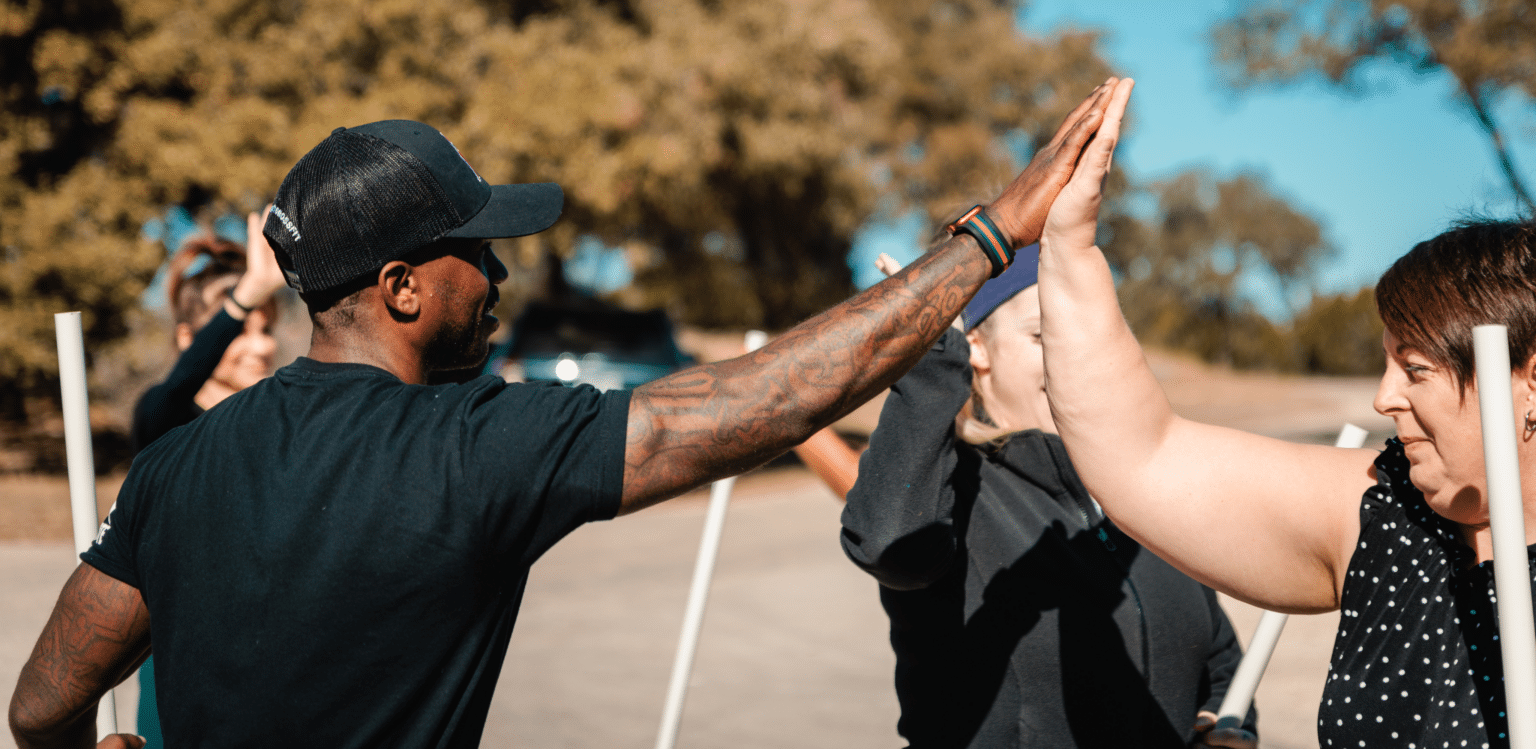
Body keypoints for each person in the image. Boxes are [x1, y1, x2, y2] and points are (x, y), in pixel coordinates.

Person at [8, 81, 1122, 749]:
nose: (496, 273)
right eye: (474, 251)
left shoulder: (176, 466)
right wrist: (982, 244)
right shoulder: (476, 445)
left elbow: (44, 699)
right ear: (400, 286)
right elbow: (757, 399)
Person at [1039, 79, 1536, 747]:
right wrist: (1069, 246)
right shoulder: (1389, 511)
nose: (1384, 397)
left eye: (1415, 370)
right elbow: (1144, 457)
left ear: (1528, 381)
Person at [797, 239, 1256, 747]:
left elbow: (1222, 663)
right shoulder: (952, 492)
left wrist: (1224, 720)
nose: (1075, 353)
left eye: (1090, 333)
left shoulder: (1142, 493)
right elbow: (889, 544)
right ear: (976, 346)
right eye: (1044, 333)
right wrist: (931, 357)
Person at [127, 212, 287, 748]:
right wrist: (245, 296)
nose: (261, 346)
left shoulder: (280, 421)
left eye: (267, 328)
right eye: (243, 328)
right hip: (183, 673)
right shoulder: (164, 419)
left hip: (276, 668)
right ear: (189, 336)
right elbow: (173, 394)